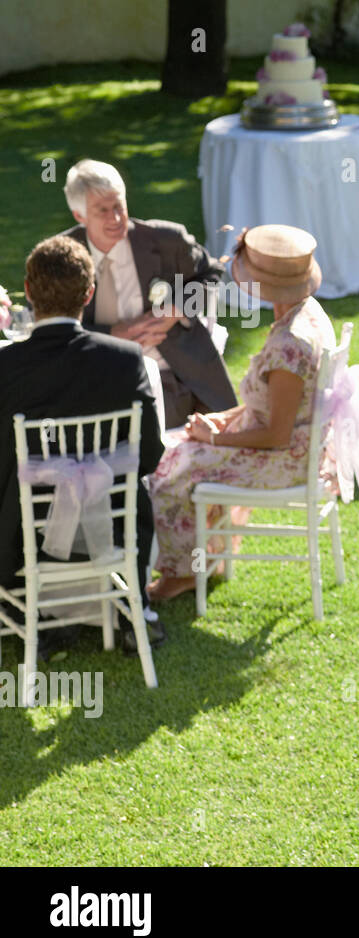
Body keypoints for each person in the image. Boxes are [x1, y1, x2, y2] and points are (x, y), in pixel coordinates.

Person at [147, 225, 338, 604]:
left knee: (167, 472)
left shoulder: (291, 343)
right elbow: (273, 404)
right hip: (294, 447)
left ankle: (182, 573)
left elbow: (277, 434)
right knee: (173, 446)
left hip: (286, 460)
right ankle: (203, 558)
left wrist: (215, 438)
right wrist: (222, 419)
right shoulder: (306, 314)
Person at [0, 236, 166, 655]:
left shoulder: (5, 366)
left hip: (22, 535)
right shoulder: (125, 359)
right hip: (111, 528)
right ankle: (132, 608)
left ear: (28, 290)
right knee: (136, 486)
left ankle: (21, 609)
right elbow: (148, 455)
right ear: (89, 294)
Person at [58, 159, 238, 429]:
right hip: (93, 376)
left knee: (143, 427)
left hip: (166, 377)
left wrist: (175, 310)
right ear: (79, 216)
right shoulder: (62, 257)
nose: (115, 218)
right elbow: (50, 324)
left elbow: (210, 273)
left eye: (119, 205)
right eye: (102, 210)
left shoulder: (165, 240)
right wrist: (111, 335)